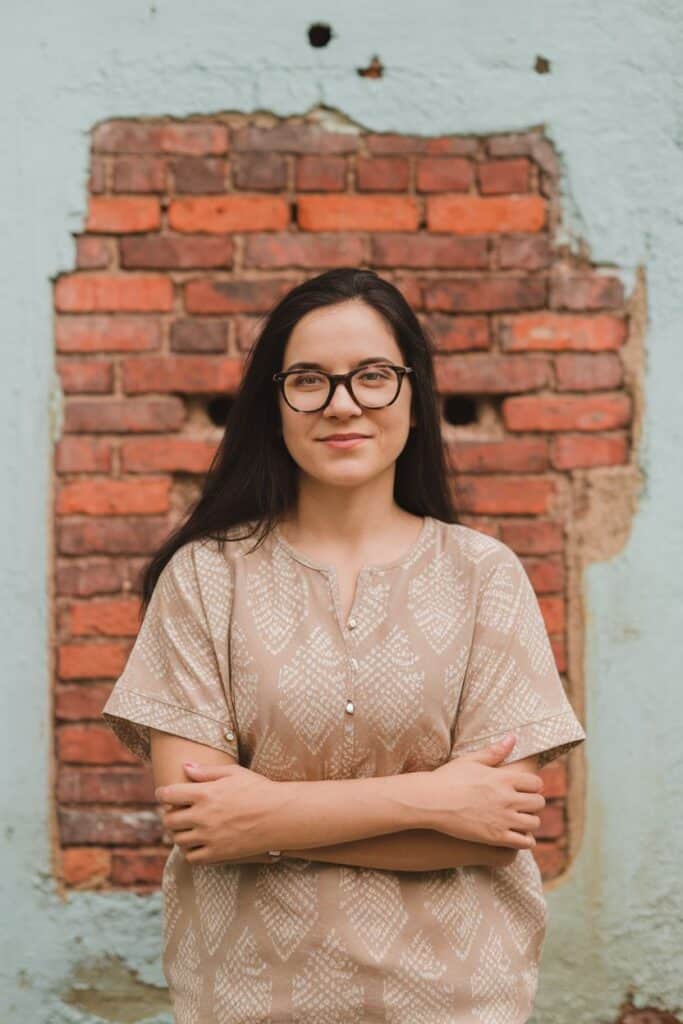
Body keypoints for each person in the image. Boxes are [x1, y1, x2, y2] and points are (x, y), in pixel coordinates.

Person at [101, 267, 586, 1023]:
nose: (341, 404)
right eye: (308, 380)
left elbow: (496, 832)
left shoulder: (483, 574)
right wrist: (433, 800)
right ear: (276, 403)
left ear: (413, 395)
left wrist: (265, 818)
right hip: (250, 994)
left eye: (371, 376)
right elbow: (203, 824)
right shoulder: (205, 577)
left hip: (457, 996)